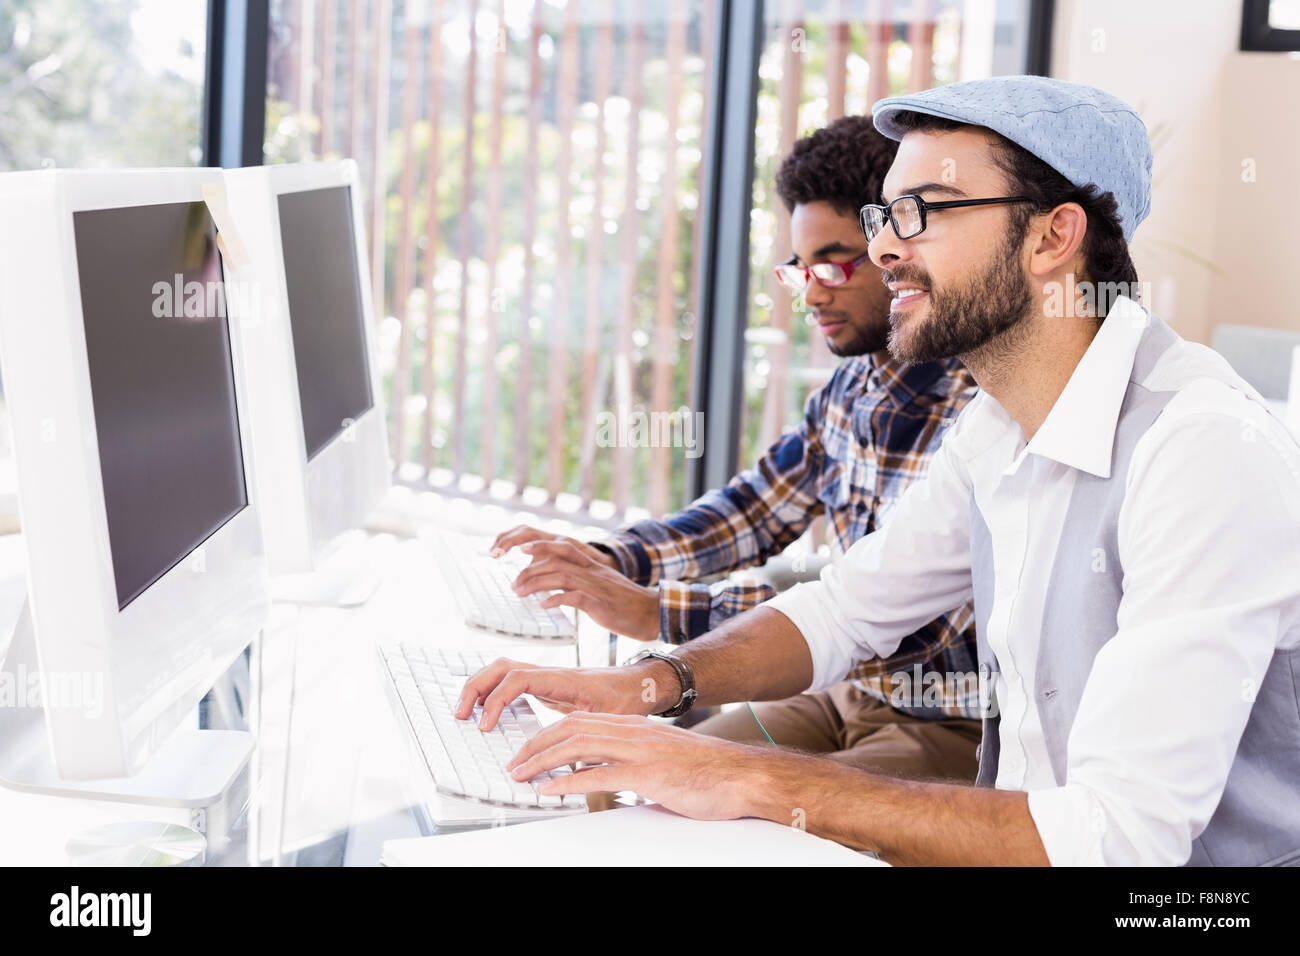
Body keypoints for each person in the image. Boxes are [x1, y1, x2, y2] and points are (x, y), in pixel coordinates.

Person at [458, 75, 1300, 866]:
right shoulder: (998, 425)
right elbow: (845, 614)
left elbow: (1118, 839)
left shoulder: (1202, 451)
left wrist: (752, 779)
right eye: (885, 213)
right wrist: (645, 685)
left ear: (1054, 237)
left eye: (922, 211)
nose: (885, 246)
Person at [492, 115, 982, 782]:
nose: (811, 293)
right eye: (799, 270)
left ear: (897, 250)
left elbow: (898, 624)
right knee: (629, 783)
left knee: (726, 820)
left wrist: (651, 612)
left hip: (953, 723)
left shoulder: (973, 410)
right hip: (847, 697)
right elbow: (749, 513)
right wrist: (609, 560)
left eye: (833, 265)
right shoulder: (851, 389)